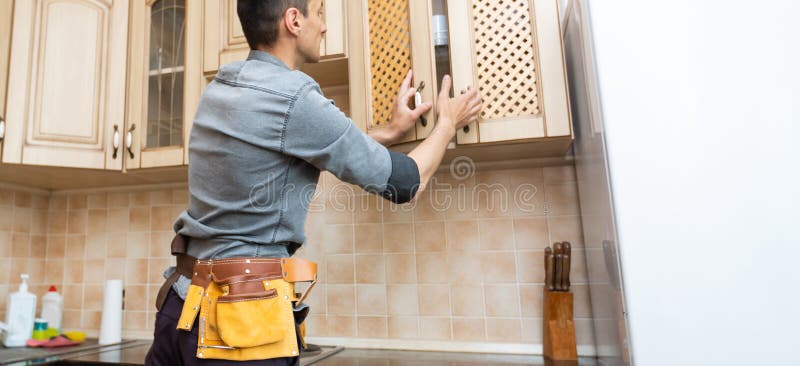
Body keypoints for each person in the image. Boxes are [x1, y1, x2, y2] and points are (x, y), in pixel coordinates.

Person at [145, 0, 481, 365]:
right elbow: (405, 183)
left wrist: (388, 131)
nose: (323, 27)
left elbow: (298, 147)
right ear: (293, 20)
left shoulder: (220, 88)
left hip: (180, 309)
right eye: (319, 13)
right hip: (237, 324)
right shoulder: (295, 97)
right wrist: (447, 122)